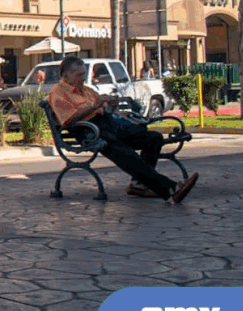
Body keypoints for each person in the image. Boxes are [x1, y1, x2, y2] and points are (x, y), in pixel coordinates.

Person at [47, 56, 198, 203]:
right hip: (88, 130)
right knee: (124, 153)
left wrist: (109, 104)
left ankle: (138, 185)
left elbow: (102, 108)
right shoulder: (58, 92)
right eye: (78, 74)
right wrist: (94, 106)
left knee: (153, 138)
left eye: (84, 74)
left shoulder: (85, 90)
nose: (82, 77)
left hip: (107, 123)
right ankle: (170, 189)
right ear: (65, 75)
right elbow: (67, 120)